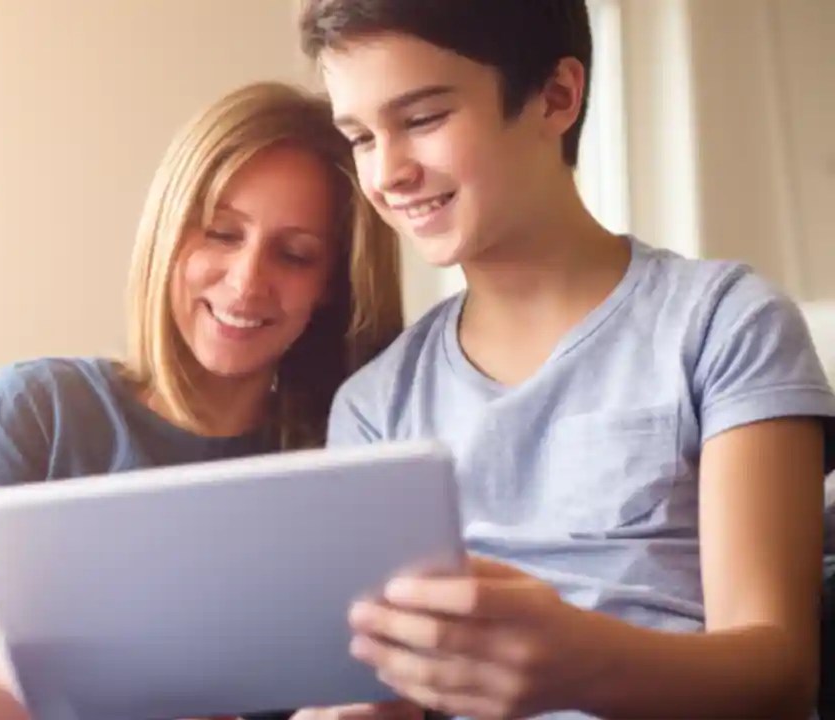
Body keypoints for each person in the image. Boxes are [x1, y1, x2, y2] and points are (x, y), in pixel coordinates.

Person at [0, 80, 405, 720]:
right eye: (222, 233)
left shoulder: (339, 461)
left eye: (294, 254)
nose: (248, 282)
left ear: (332, 285)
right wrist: (107, 697)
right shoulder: (39, 408)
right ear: (169, 235)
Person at [291, 1, 835, 718]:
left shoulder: (724, 323)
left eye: (422, 120)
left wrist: (580, 665)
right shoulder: (373, 405)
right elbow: (381, 682)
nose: (389, 171)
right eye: (361, 137)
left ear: (556, 97)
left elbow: (779, 672)